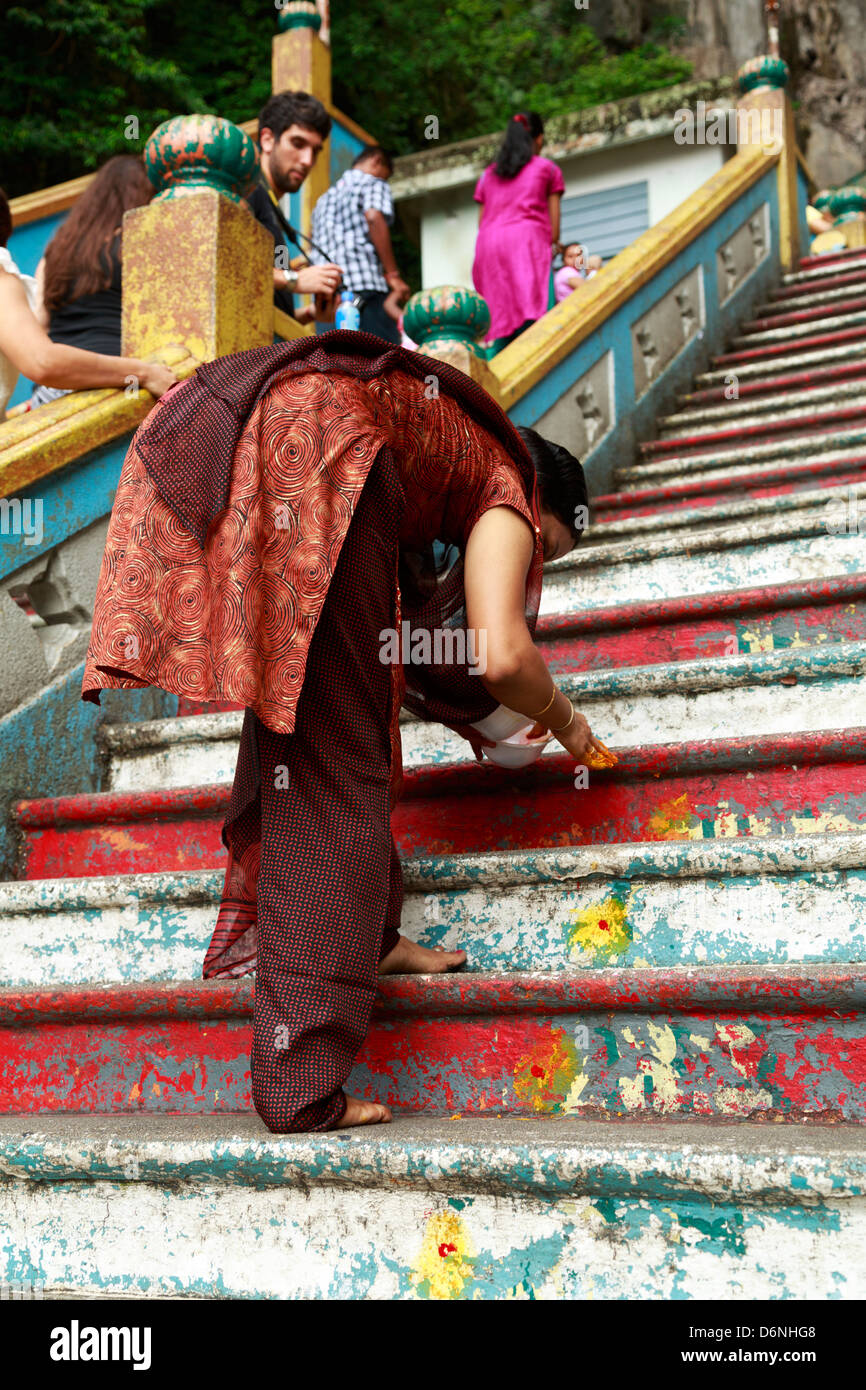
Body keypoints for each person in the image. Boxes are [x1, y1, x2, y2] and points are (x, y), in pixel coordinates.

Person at [81, 330, 605, 1134]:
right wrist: (571, 727)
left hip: (269, 442)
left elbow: (418, 656)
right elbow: (502, 655)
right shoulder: (507, 486)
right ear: (540, 506)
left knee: (323, 726)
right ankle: (299, 1082)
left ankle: (376, 935)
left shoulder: (438, 454)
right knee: (335, 768)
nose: (532, 561)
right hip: (326, 457)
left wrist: (476, 720)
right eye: (546, 549)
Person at [0, 186, 175, 417]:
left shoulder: (56, 251)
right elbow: (41, 361)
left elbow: (41, 322)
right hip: (108, 375)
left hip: (51, 394)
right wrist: (144, 373)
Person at [248, 91, 344, 326]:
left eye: (315, 150)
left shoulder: (271, 209)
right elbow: (224, 266)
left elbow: (266, 313)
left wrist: (310, 313)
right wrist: (294, 279)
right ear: (268, 139)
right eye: (298, 143)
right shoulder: (247, 189)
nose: (307, 160)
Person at [472, 112, 565, 352]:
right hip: (525, 243)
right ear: (540, 139)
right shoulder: (547, 169)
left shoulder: (488, 175)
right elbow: (554, 231)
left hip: (488, 246)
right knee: (536, 317)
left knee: (499, 320)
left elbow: (481, 222)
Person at [310, 146, 410, 344]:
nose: (384, 179)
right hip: (366, 289)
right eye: (385, 175)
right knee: (383, 367)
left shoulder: (322, 201)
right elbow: (374, 217)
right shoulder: (372, 182)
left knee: (334, 370)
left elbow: (311, 240)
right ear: (376, 161)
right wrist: (393, 275)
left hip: (328, 301)